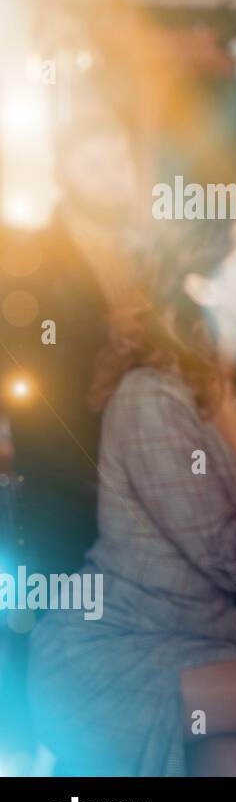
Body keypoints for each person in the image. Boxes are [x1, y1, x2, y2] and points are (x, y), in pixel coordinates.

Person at [26, 199, 236, 776]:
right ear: (201, 284)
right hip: (109, 656)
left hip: (206, 653)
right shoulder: (151, 396)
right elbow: (233, 553)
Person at [0, 111, 145, 576]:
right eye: (94, 165)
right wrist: (116, 347)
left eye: (121, 160)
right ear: (62, 174)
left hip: (146, 476)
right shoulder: (30, 263)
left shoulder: (152, 253)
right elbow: (29, 380)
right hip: (67, 482)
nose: (112, 177)